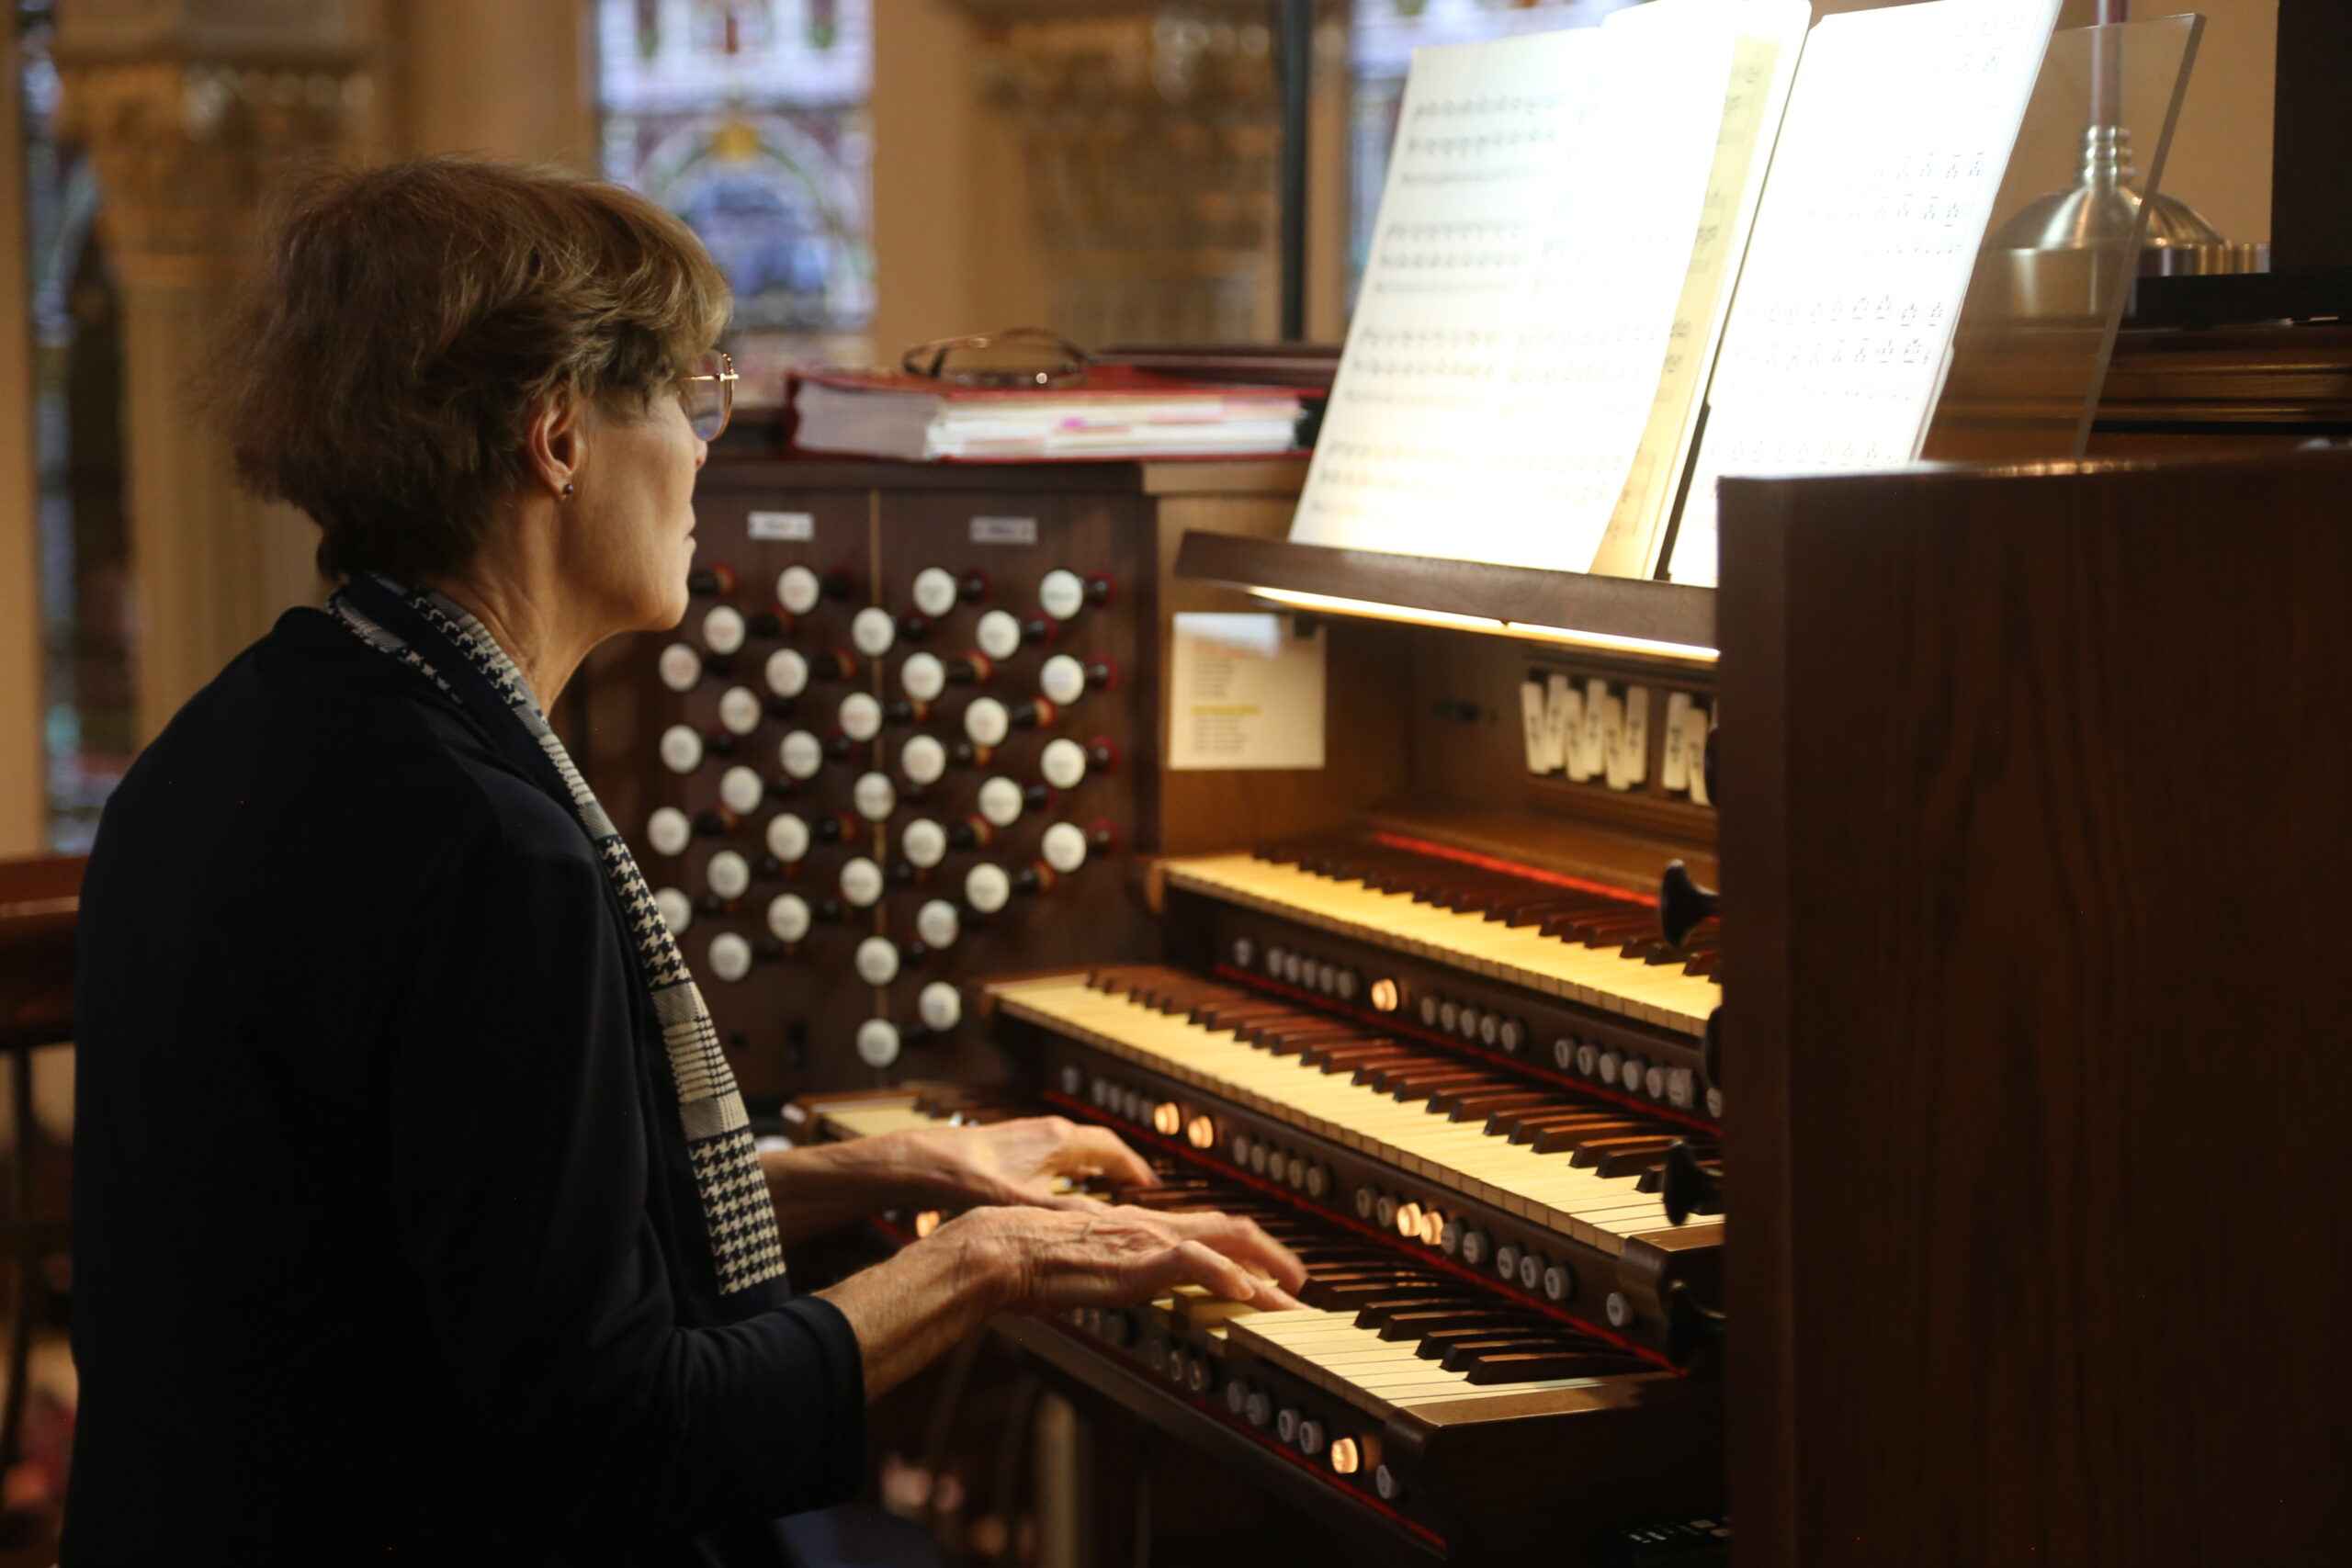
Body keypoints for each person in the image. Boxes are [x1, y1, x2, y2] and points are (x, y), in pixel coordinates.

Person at [62, 157, 1303, 1565]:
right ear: (558, 438)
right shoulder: (491, 855)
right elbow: (625, 1431)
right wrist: (983, 1263)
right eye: (686, 397)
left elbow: (459, 1245)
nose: (706, 449)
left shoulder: (246, 735)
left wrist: (882, 1165)